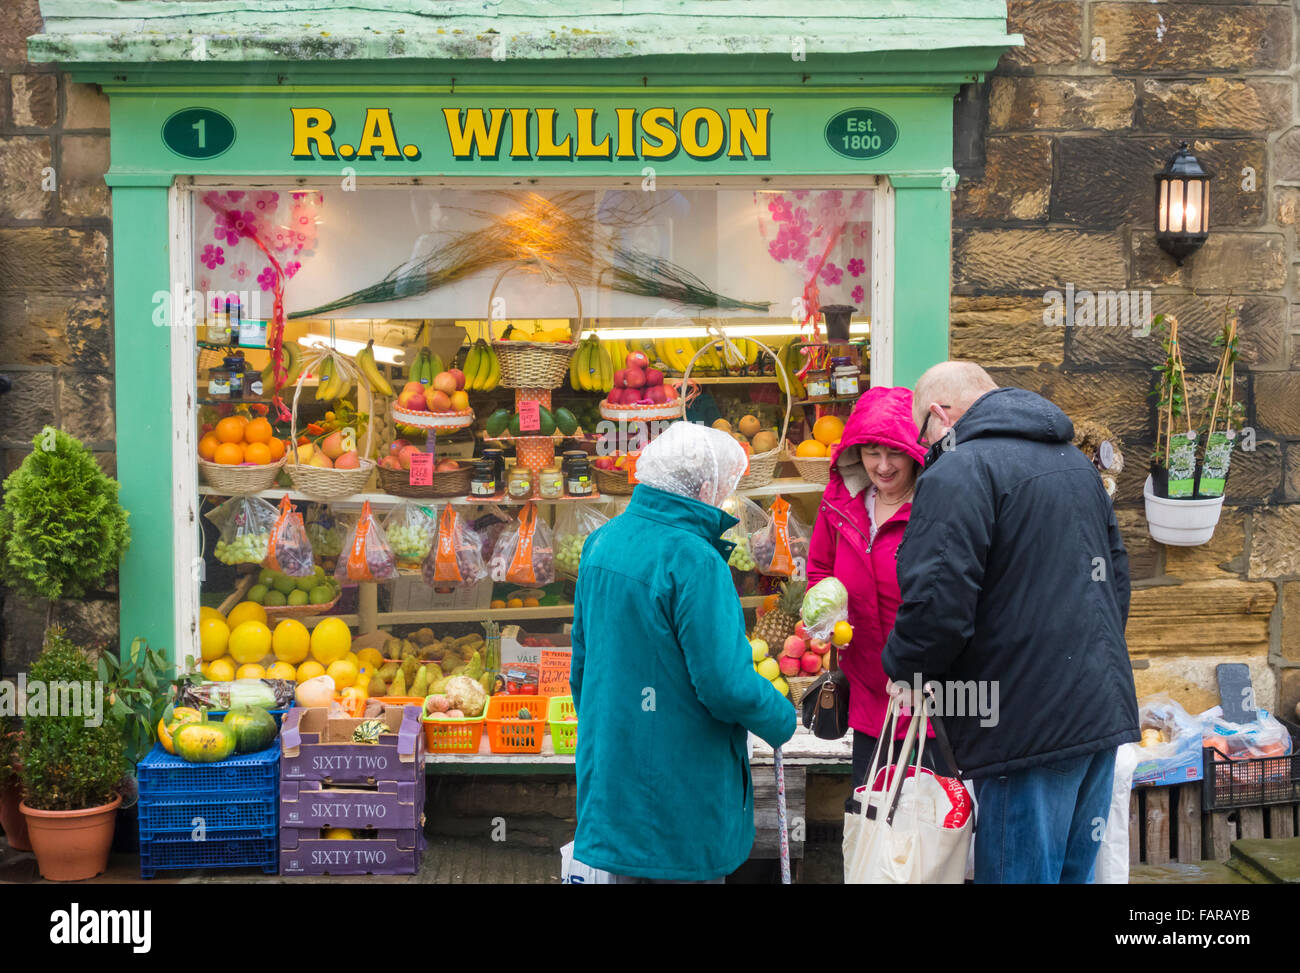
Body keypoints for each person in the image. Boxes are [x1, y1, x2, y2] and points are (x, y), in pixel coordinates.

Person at [881, 361, 1140, 884]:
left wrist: (907, 669)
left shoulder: (957, 468)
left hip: (1024, 726)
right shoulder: (1074, 461)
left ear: (938, 415)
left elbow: (938, 602)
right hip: (1100, 710)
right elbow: (1116, 582)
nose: (923, 450)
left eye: (921, 436)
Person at [569, 421, 797, 883]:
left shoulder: (601, 542)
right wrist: (781, 718)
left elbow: (582, 666)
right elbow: (725, 685)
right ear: (709, 487)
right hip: (681, 788)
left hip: (614, 780)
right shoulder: (695, 558)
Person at [806, 386, 951, 813]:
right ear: (855, 453)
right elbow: (819, 572)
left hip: (930, 698)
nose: (883, 467)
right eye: (871, 452)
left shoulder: (937, 508)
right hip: (869, 693)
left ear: (915, 453)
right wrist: (828, 620)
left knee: (926, 828)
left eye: (894, 453)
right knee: (871, 820)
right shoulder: (840, 505)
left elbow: (955, 598)